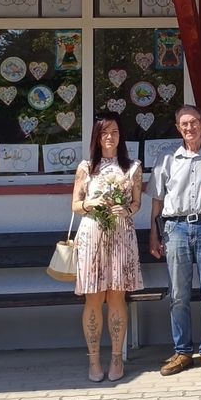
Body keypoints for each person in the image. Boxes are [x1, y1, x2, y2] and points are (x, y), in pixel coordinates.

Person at [148, 104, 201, 376]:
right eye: (184, 124)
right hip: (176, 228)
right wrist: (154, 232)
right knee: (178, 293)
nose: (189, 128)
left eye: (194, 122)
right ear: (178, 128)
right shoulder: (167, 157)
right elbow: (158, 198)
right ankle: (182, 352)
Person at [70, 112, 143, 383]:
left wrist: (126, 209)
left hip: (121, 235)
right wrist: (92, 204)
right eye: (104, 133)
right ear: (96, 137)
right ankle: (93, 359)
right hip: (92, 236)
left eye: (113, 131)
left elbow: (137, 203)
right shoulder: (86, 167)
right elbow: (75, 205)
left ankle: (116, 357)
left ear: (120, 135)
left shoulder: (132, 167)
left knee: (116, 297)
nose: (109, 137)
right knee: (93, 298)